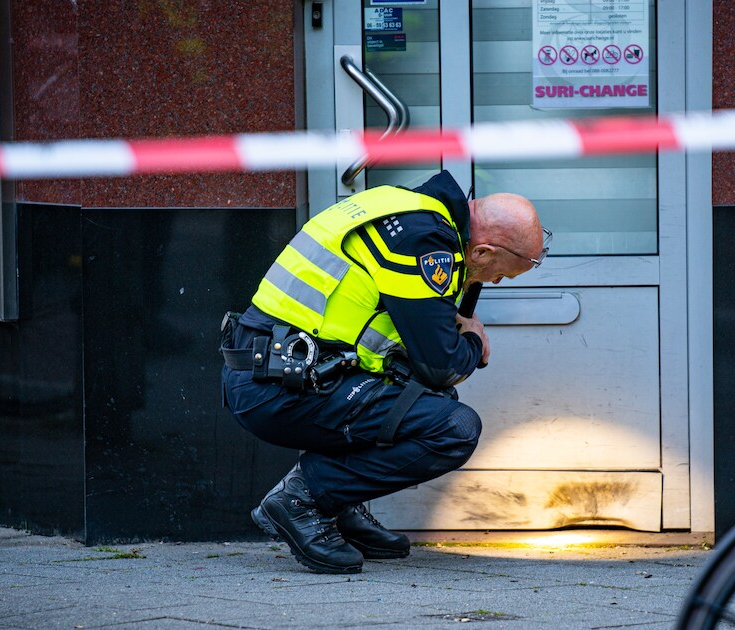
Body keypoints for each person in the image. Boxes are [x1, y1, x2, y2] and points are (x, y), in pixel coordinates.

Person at [219, 170, 550, 574]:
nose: (493, 281)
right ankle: (303, 498)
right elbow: (440, 366)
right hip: (276, 386)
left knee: (425, 404)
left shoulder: (404, 205)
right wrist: (475, 343)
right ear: (480, 252)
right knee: (453, 428)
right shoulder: (426, 243)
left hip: (279, 371)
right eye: (499, 273)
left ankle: (336, 504)